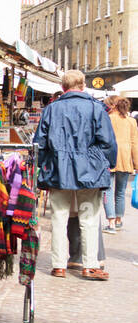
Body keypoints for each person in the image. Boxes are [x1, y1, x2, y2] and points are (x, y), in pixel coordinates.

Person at [33, 71, 117, 280]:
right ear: (83, 85)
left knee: (59, 218)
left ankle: (59, 265)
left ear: (63, 87)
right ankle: (89, 265)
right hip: (89, 171)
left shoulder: (52, 109)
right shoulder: (96, 108)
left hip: (59, 171)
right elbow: (107, 142)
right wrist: (108, 164)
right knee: (88, 218)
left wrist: (42, 166)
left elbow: (40, 143)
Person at [103, 95, 138, 231]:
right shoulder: (131, 121)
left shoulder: (108, 119)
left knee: (107, 190)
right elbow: (135, 144)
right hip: (125, 158)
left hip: (109, 158)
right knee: (121, 192)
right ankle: (118, 220)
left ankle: (110, 222)